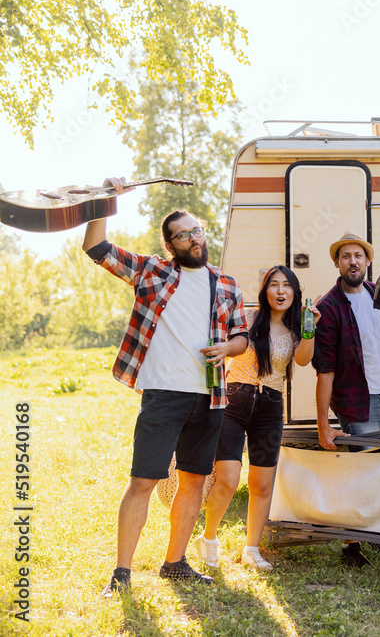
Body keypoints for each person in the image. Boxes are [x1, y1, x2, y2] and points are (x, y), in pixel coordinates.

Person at [83, 180, 249, 598]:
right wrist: (105, 200)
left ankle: (175, 563)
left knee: (194, 482)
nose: (194, 238)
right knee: (143, 481)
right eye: (184, 234)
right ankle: (122, 573)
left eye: (197, 230)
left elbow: (242, 337)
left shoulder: (227, 285)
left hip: (210, 397)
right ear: (170, 245)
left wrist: (228, 348)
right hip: (163, 394)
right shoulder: (152, 272)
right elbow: (96, 246)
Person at [195, 266, 319, 571]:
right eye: (274, 285)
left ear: (295, 293)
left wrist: (310, 329)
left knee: (262, 485)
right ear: (265, 291)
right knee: (227, 478)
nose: (280, 291)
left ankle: (251, 549)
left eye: (286, 285)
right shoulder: (248, 318)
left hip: (270, 406)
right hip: (235, 401)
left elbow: (303, 360)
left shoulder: (296, 330)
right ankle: (209, 538)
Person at [312, 231, 380, 568]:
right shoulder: (329, 308)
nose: (352, 261)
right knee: (363, 471)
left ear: (368, 261)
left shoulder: (378, 295)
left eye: (358, 255)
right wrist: (323, 424)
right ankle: (351, 545)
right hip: (359, 401)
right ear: (337, 264)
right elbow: (324, 371)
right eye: (345, 257)